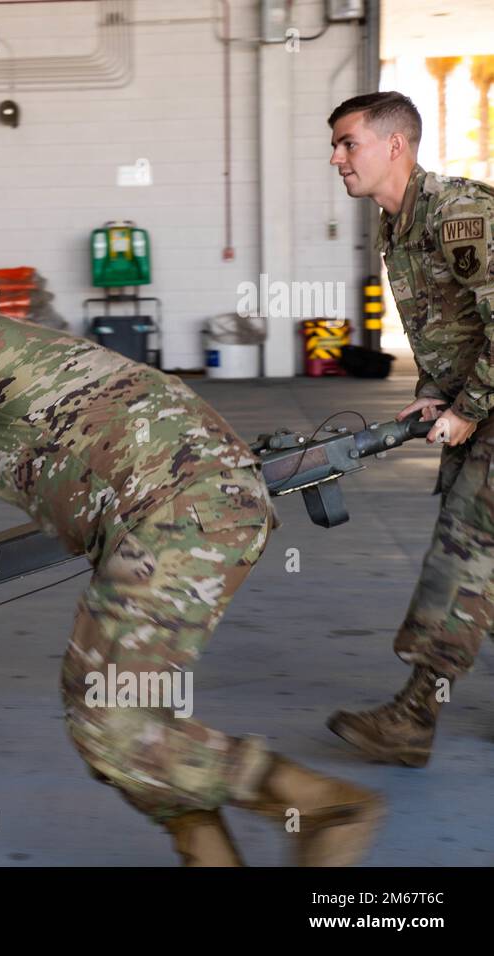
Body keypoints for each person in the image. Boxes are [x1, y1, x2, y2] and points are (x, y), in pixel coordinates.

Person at [0, 226, 383, 866]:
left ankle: (323, 807)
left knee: (110, 720)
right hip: (180, 510)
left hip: (181, 509)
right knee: (118, 718)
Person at [325, 91, 494, 767]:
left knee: (464, 550)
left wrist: (469, 409)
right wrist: (434, 396)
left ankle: (414, 716)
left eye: (348, 143)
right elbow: (447, 325)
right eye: (335, 146)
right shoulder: (393, 226)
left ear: (395, 145)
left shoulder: (459, 212)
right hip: (480, 397)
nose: (336, 159)